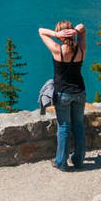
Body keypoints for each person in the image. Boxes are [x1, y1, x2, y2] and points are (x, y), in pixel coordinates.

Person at [38, 20, 87, 171]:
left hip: (63, 93)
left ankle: (61, 162)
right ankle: (78, 160)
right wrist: (77, 31)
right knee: (78, 126)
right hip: (79, 92)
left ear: (60, 35)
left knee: (64, 127)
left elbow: (41, 30)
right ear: (72, 33)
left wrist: (56, 34)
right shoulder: (81, 49)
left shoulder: (57, 50)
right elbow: (83, 28)